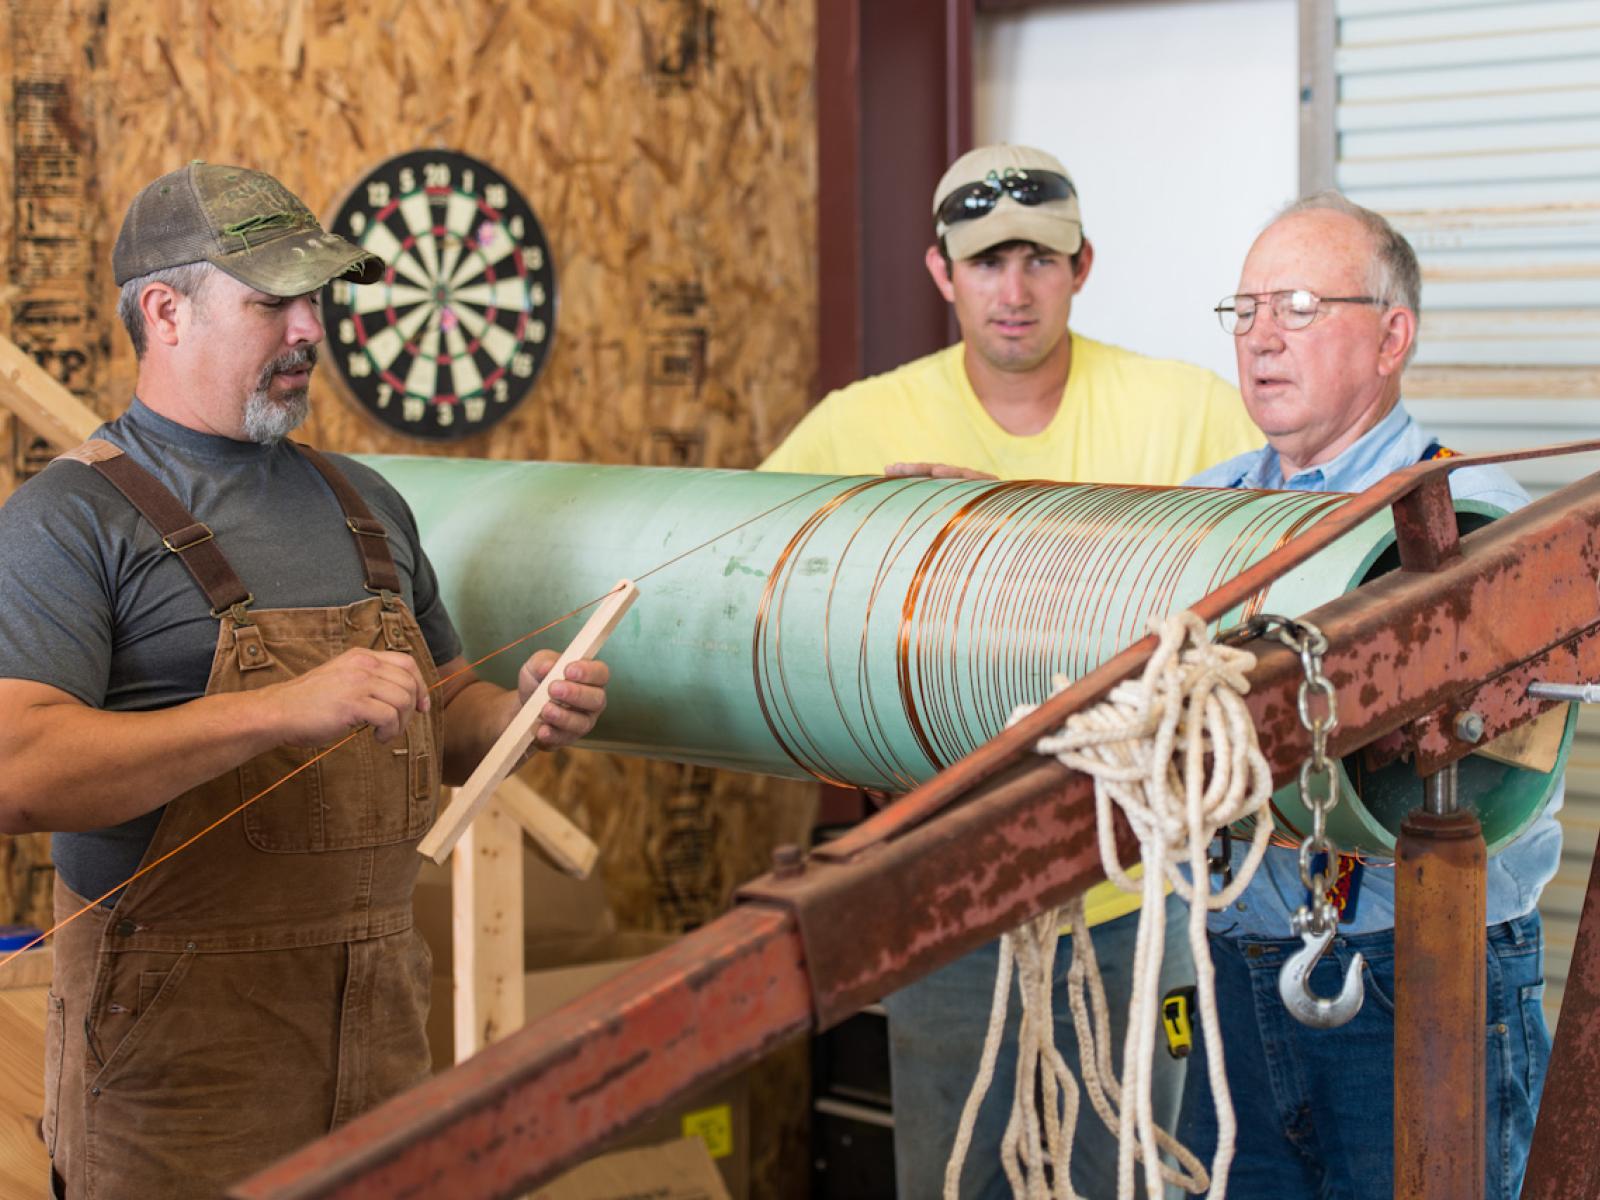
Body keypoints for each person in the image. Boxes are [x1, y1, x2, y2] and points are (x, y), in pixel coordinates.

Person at [0, 163, 611, 1200]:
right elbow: (19, 771)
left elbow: (448, 706)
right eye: (272, 301)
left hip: (379, 1045)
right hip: (179, 1076)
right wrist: (279, 708)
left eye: (316, 299)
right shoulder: (69, 522)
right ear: (166, 312)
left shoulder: (365, 502)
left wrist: (521, 714)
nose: (310, 331)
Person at [763, 143, 1260, 1199]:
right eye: (985, 262)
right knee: (956, 1180)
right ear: (940, 272)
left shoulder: (1192, 412)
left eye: (1039, 259)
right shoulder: (859, 426)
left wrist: (1007, 535)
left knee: (1137, 1177)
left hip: (1137, 889)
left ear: (1084, 266)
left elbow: (1280, 600)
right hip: (946, 887)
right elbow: (745, 576)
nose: (1014, 289)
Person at [1178, 191, 1552, 1200]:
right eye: (1244, 309)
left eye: (1298, 307)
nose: (1260, 336)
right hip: (1232, 974)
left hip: (1410, 978)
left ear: (1392, 336)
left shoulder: (1471, 524)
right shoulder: (1197, 512)